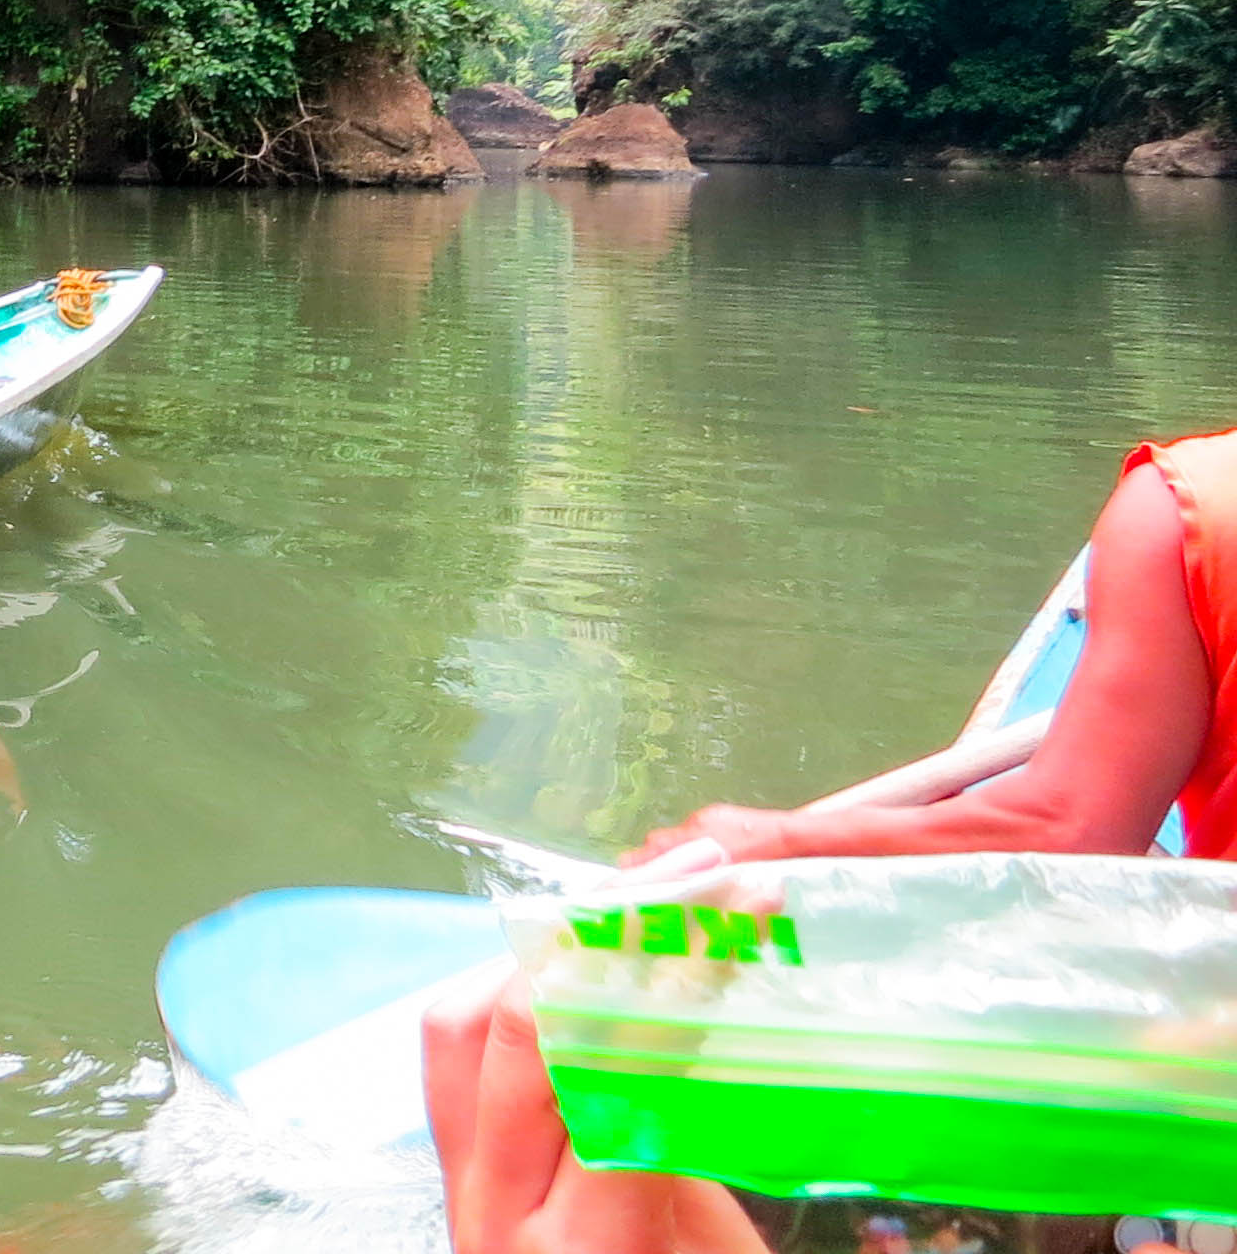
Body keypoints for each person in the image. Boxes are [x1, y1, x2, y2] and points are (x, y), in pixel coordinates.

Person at [428, 423, 1237, 1253]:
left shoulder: (1187, 510)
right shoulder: (1186, 515)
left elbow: (1075, 828)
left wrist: (777, 842)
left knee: (507, 1054)